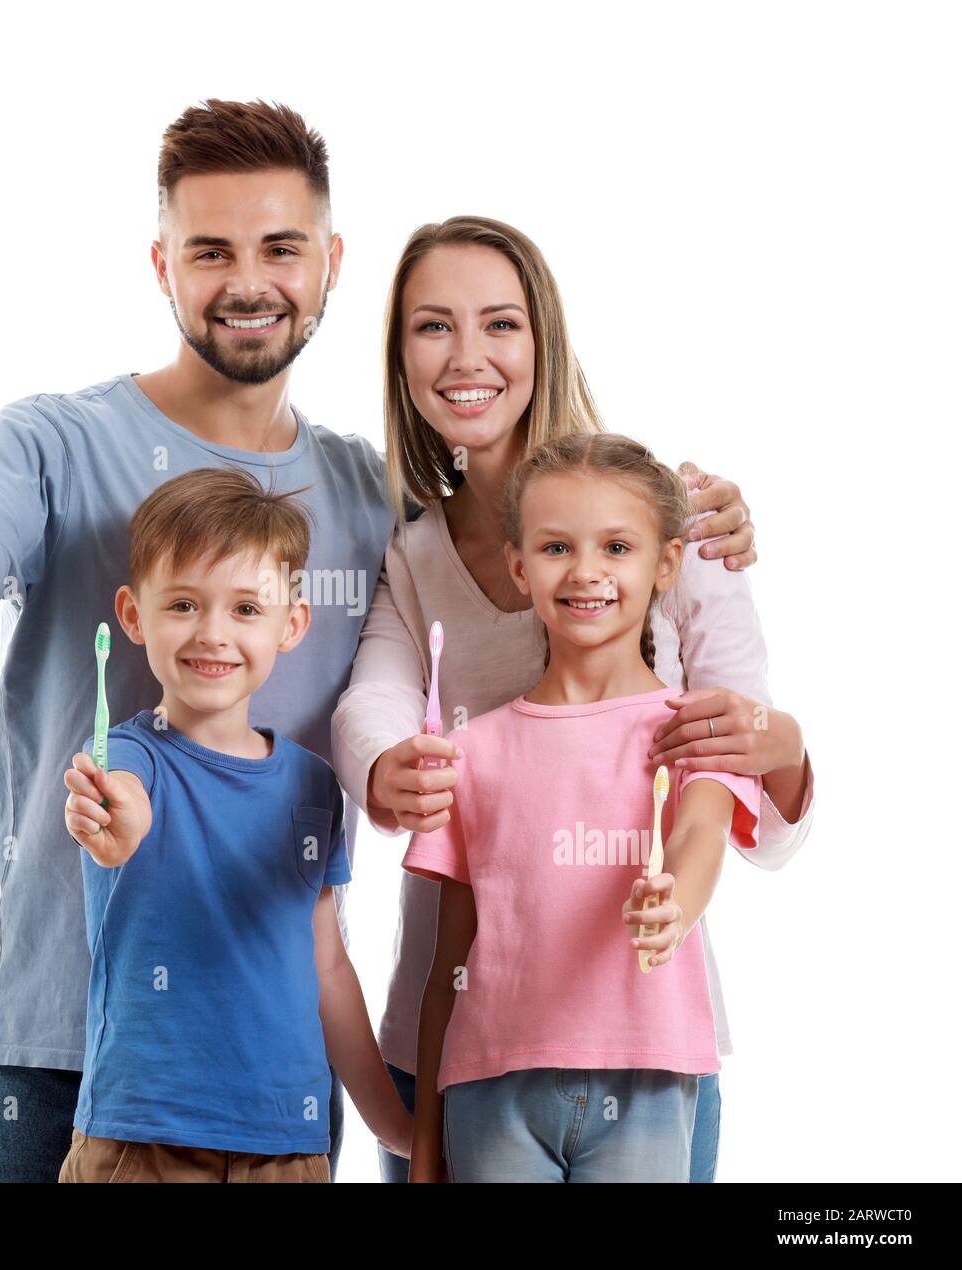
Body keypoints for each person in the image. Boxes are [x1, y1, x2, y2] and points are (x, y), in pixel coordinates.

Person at [0, 100, 757, 1182]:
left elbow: (570, 575)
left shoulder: (372, 499)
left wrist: (685, 525)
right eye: (209, 250)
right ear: (161, 264)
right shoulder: (53, 442)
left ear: (328, 265)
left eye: (280, 248)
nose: (248, 281)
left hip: (279, 1081)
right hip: (55, 1048)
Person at [329, 216, 814, 1183]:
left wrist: (781, 740)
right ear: (399, 357)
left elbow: (742, 778)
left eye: (500, 324)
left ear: (543, 340)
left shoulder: (669, 518)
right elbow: (367, 707)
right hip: (464, 1034)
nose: (468, 356)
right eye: (433, 327)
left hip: (644, 1034)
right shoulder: (412, 553)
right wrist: (390, 767)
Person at [406, 431, 761, 1183]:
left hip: (649, 1079)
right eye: (557, 547)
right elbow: (449, 967)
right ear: (519, 565)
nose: (587, 572)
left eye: (617, 547)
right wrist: (427, 1144)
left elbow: (700, 827)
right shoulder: (474, 753)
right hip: (489, 1087)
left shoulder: (694, 724)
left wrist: (676, 903)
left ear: (666, 563)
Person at [57, 468, 409, 1183]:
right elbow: (123, 801)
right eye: (183, 603)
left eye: (246, 608)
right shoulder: (127, 755)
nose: (212, 633)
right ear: (132, 614)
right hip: (141, 1140)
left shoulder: (315, 784)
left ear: (293, 624)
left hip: (288, 1146)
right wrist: (112, 821)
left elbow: (328, 963)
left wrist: (393, 1126)